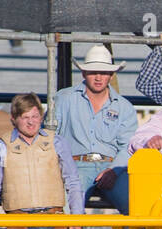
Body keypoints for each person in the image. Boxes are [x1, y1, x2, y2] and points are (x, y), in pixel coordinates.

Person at [0, 93, 84, 229]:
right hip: (18, 220)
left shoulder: (57, 142)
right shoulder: (0, 147)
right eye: (25, 117)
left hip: (54, 217)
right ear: (13, 119)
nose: (31, 122)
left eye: (35, 116)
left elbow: (73, 182)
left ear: (41, 117)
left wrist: (77, 219)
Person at [46, 45, 137, 213]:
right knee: (65, 211)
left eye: (103, 72)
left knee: (138, 207)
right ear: (84, 73)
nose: (98, 77)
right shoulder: (64, 98)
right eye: (93, 72)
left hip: (112, 168)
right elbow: (50, 137)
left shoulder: (124, 107)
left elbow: (128, 146)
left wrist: (113, 170)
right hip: (74, 167)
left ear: (111, 75)